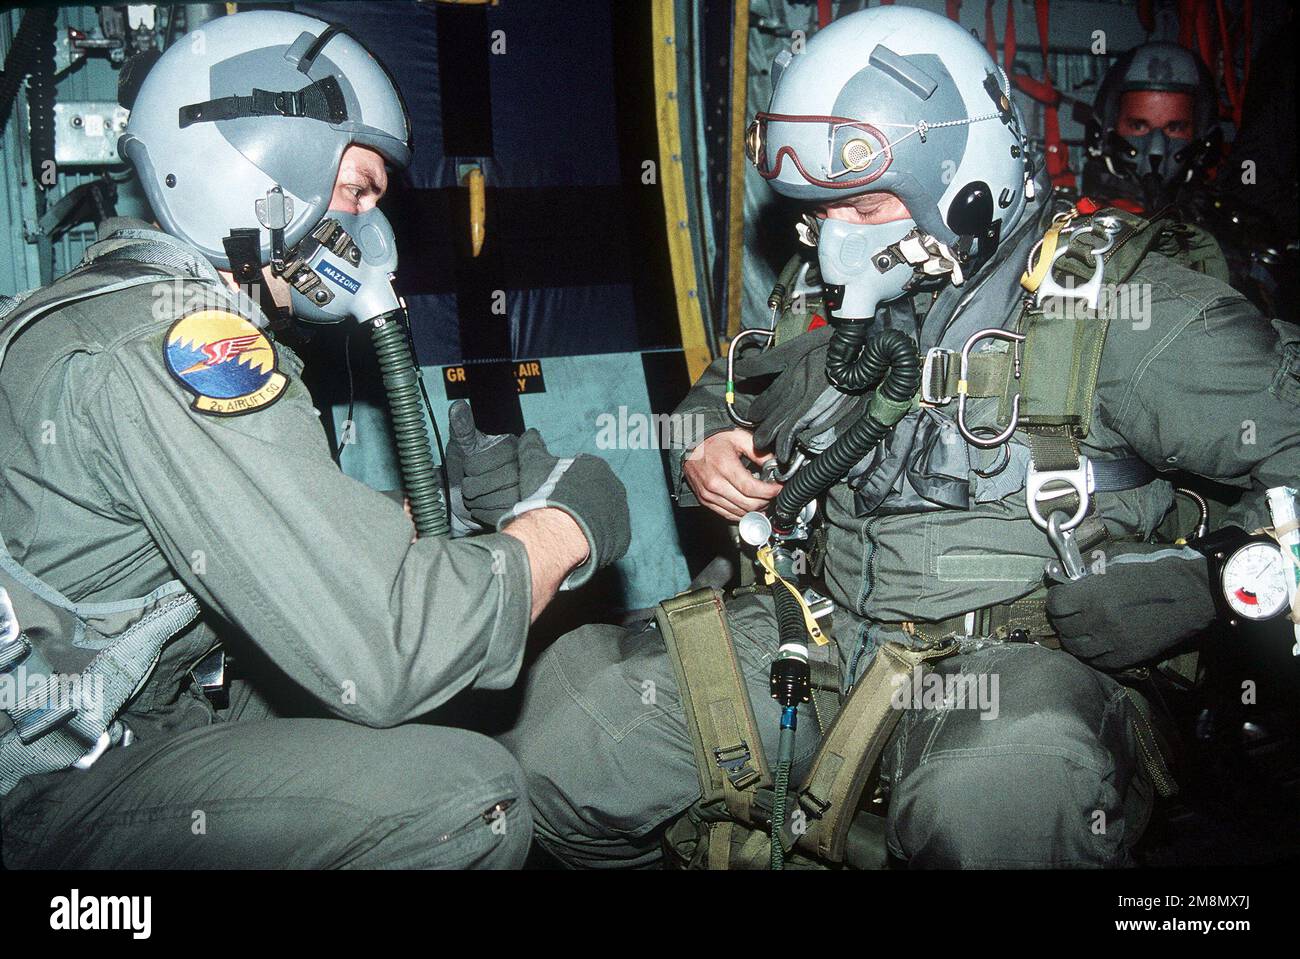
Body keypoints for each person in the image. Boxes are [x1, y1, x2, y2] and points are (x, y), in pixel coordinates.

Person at [499, 7, 1300, 868]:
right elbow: (727, 388)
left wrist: (1216, 577)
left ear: (970, 179)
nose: (839, 241)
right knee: (570, 736)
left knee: (998, 791)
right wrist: (702, 442)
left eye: (868, 203)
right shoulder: (824, 287)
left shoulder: (1127, 306)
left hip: (1025, 658)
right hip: (823, 630)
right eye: (819, 211)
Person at [0, 10, 629, 869]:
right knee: (461, 799)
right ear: (256, 169)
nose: (370, 235)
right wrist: (568, 524)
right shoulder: (186, 346)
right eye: (356, 192)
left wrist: (405, 518)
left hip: (103, 708)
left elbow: (225, 523)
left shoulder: (103, 307)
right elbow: (389, 648)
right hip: (45, 778)